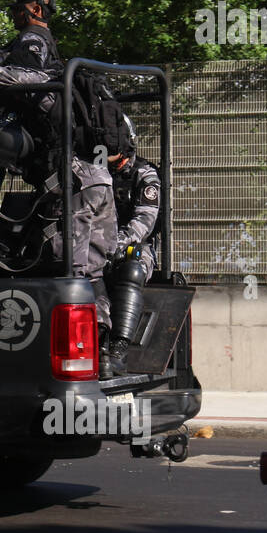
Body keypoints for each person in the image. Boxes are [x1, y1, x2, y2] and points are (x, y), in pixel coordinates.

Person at [0, 0, 118, 333]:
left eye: (18, 8)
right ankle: (107, 342)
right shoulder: (50, 49)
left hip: (73, 184)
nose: (14, 14)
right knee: (91, 273)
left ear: (36, 9)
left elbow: (30, 75)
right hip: (93, 180)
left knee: (71, 271)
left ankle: (91, 345)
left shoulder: (33, 39)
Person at [101, 118, 162, 373]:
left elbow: (144, 221)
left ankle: (118, 348)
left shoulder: (144, 174)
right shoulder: (93, 171)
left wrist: (115, 244)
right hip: (94, 245)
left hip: (133, 247)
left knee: (131, 269)